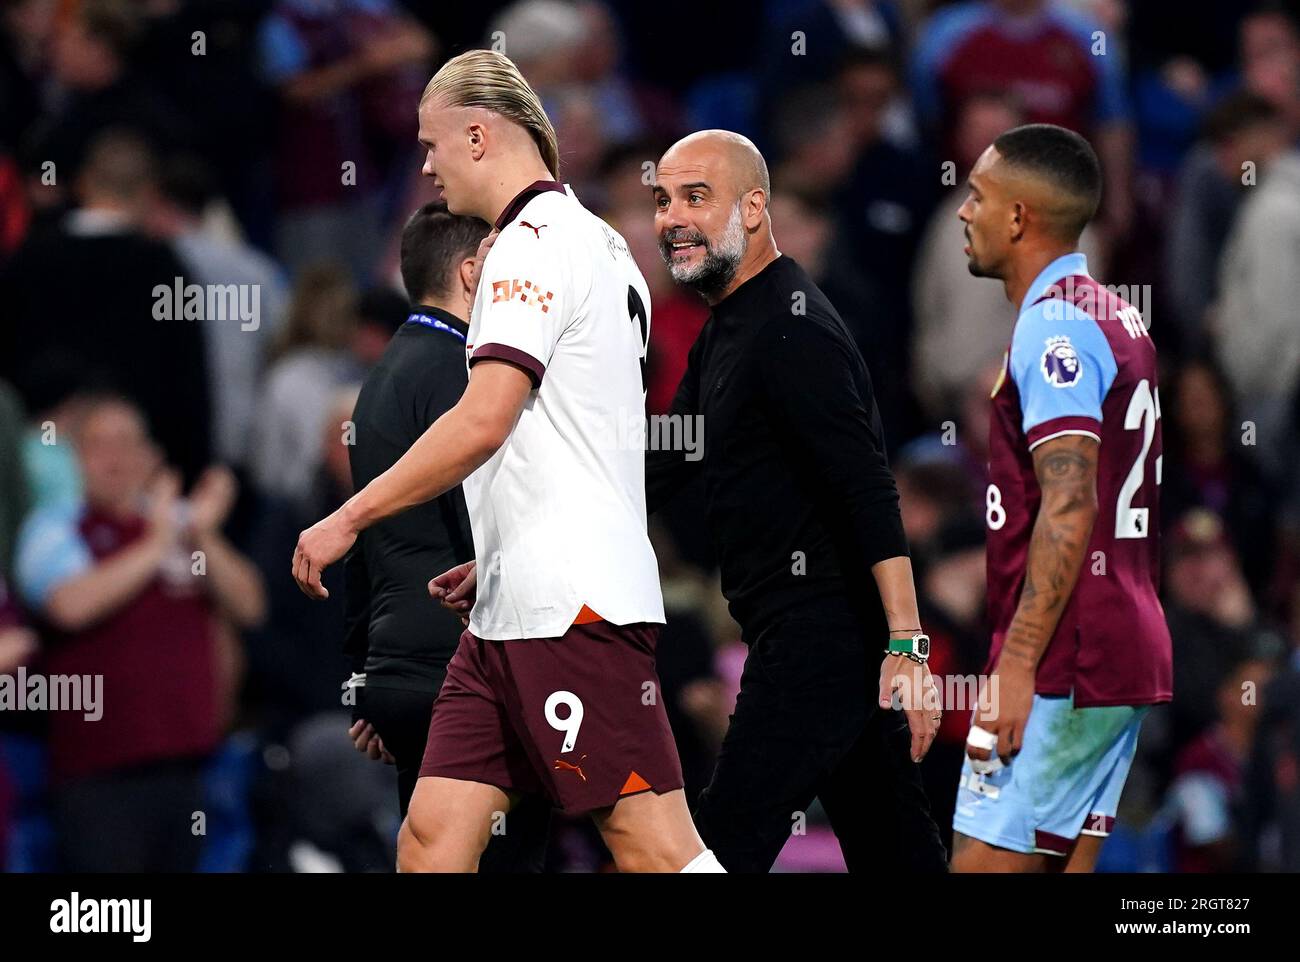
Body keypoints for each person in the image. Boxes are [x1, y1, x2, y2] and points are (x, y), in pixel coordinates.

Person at [292, 50, 722, 873]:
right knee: (429, 842)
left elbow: (486, 419)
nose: (424, 165)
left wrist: (350, 514)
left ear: (480, 135)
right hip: (512, 607)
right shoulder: (597, 239)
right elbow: (572, 431)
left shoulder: (526, 247)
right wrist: (495, 554)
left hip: (570, 610)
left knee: (655, 848)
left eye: (431, 144)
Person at [642, 129, 947, 873]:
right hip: (813, 638)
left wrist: (907, 645)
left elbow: (867, 485)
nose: (670, 216)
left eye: (695, 196)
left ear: (753, 208)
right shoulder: (731, 325)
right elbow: (665, 460)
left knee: (721, 847)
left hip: (822, 642)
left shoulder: (791, 327)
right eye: (662, 199)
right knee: (897, 854)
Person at [951, 123, 1172, 872]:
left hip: (1064, 662)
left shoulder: (1056, 326)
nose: (962, 211)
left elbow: (1069, 506)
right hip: (1112, 649)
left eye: (977, 196)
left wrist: (1014, 669)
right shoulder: (1116, 314)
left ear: (1018, 218)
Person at [342, 200, 549, 869]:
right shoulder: (465, 377)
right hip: (465, 671)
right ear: (470, 272)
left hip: (404, 670)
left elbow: (365, 543)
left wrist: (375, 675)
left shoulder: (382, 378)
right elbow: (481, 530)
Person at [13, 394, 265, 871]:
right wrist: (158, 543)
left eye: (128, 443)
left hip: (194, 766)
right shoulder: (57, 528)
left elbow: (250, 606)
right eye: (99, 445)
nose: (116, 458)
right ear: (75, 458)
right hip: (100, 774)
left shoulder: (184, 528)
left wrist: (203, 535)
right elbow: (70, 606)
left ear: (151, 456)